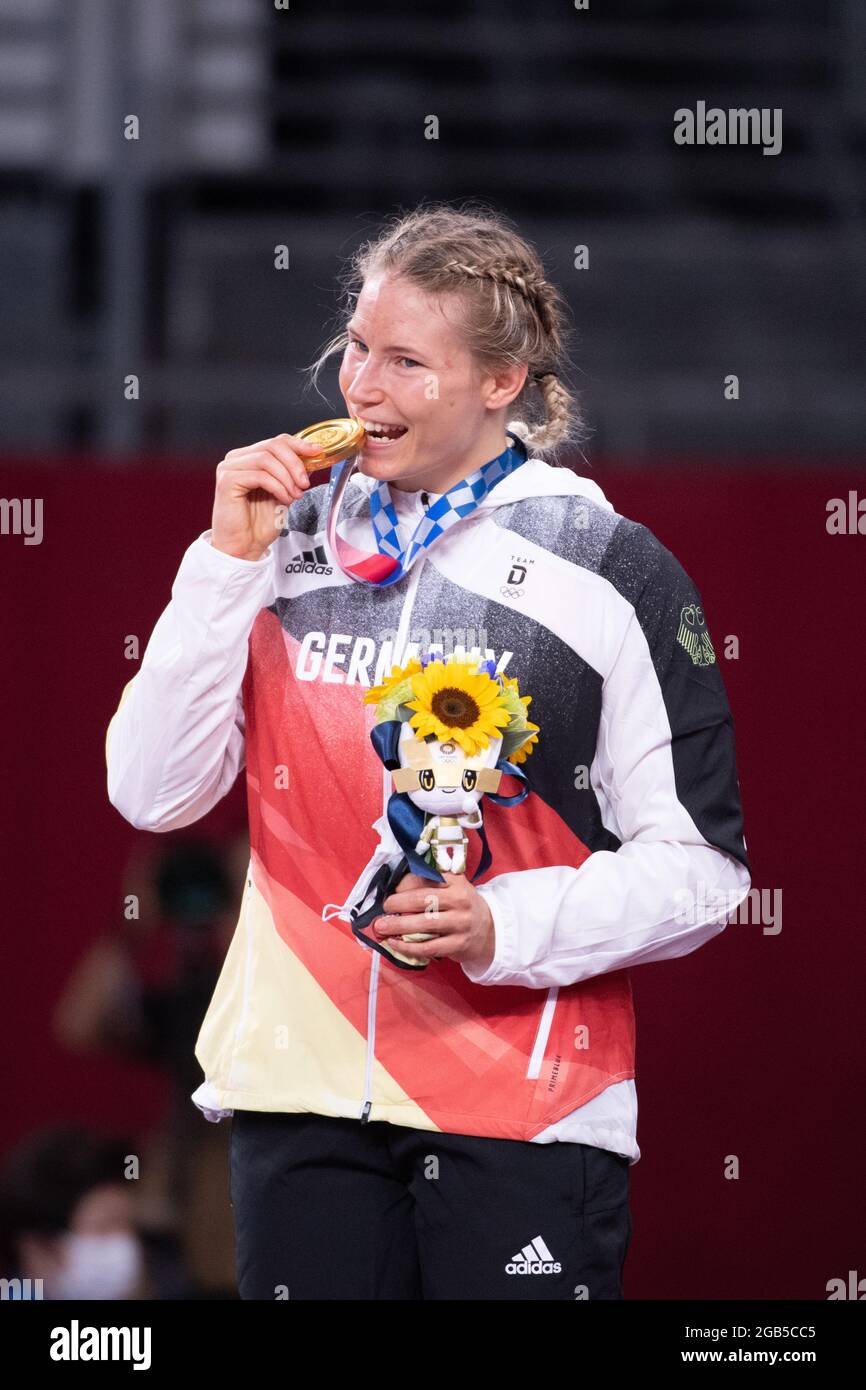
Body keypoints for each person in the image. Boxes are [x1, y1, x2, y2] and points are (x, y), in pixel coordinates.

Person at [105, 201, 751, 1300]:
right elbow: (153, 792)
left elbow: (703, 872)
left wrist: (507, 923)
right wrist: (220, 564)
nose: (361, 387)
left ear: (501, 382)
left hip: (524, 1102)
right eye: (357, 348)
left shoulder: (604, 567)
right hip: (299, 1087)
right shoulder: (281, 537)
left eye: (407, 361)